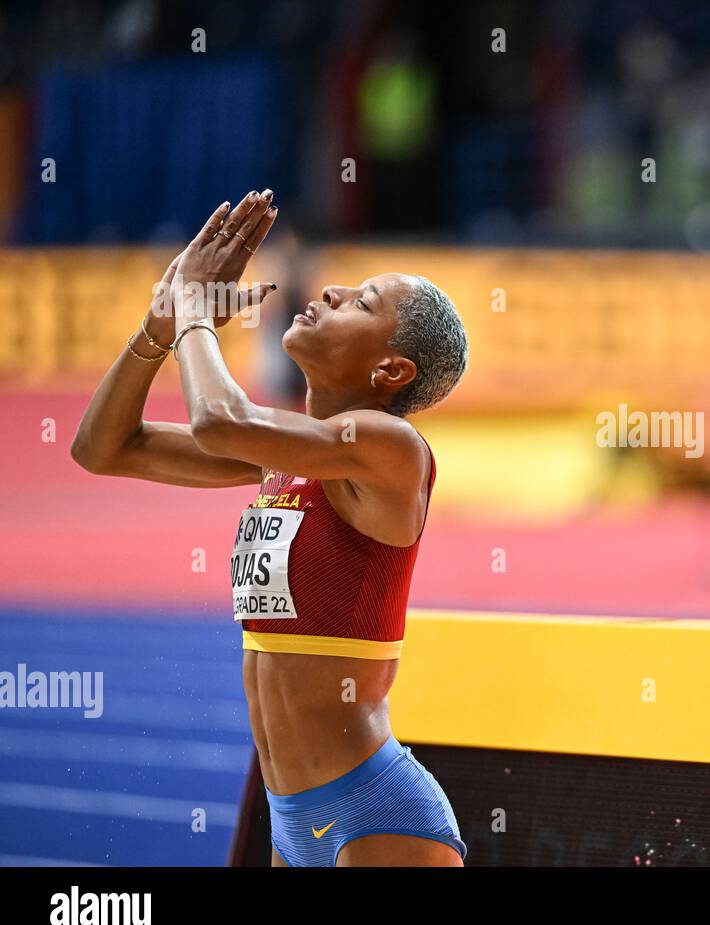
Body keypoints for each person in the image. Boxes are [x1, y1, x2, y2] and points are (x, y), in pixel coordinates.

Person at [71, 189, 469, 866]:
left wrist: (196, 313)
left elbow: (219, 420)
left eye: (362, 302)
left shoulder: (392, 451)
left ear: (390, 371)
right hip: (291, 821)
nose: (334, 288)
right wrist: (160, 326)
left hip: (379, 818)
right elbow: (104, 448)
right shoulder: (284, 457)